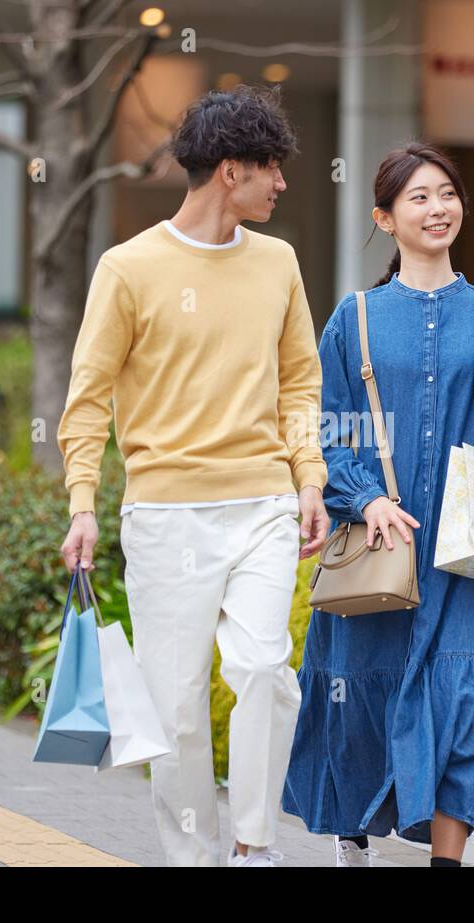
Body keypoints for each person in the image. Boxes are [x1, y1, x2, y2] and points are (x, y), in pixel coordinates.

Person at [56, 84, 330, 868]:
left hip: (263, 506)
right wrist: (83, 504)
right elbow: (88, 399)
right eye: (270, 167)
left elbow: (300, 383)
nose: (281, 182)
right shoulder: (129, 267)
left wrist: (309, 481)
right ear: (229, 171)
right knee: (174, 712)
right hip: (166, 515)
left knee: (266, 671)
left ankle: (253, 844)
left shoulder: (277, 263)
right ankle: (193, 858)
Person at [281, 143, 474, 866]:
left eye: (447, 194)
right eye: (419, 198)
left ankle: (446, 860)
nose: (438, 208)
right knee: (363, 691)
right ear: (385, 217)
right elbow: (329, 429)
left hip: (469, 547)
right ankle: (354, 832)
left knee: (461, 691)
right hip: (381, 540)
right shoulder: (358, 317)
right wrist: (364, 497)